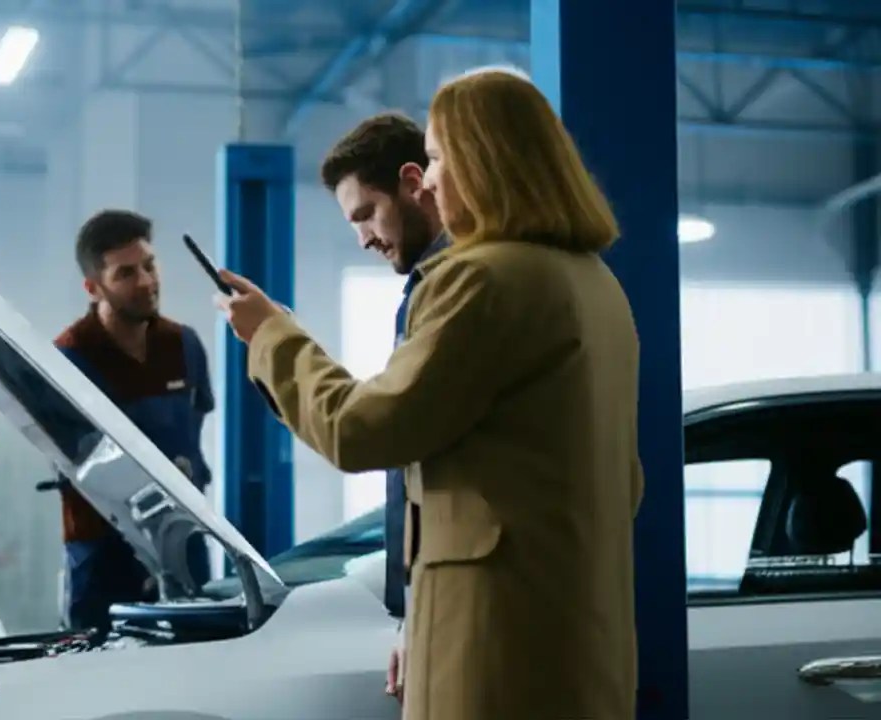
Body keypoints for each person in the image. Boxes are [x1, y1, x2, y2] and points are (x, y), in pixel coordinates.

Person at [214, 66, 642, 720]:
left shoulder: (482, 279)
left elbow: (364, 430)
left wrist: (274, 337)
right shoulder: (595, 286)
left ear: (482, 158)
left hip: (497, 641)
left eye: (438, 157)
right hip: (576, 635)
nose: (431, 178)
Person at [317, 111, 448, 696]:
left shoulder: (468, 289)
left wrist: (273, 338)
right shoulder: (424, 291)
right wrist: (412, 616)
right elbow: (423, 479)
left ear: (414, 180)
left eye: (366, 214)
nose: (364, 237)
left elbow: (374, 432)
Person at [54, 209, 216, 634]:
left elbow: (193, 434)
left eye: (149, 265)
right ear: (93, 287)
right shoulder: (67, 359)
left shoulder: (183, 345)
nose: (146, 281)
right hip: (103, 551)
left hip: (184, 538)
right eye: (126, 273)